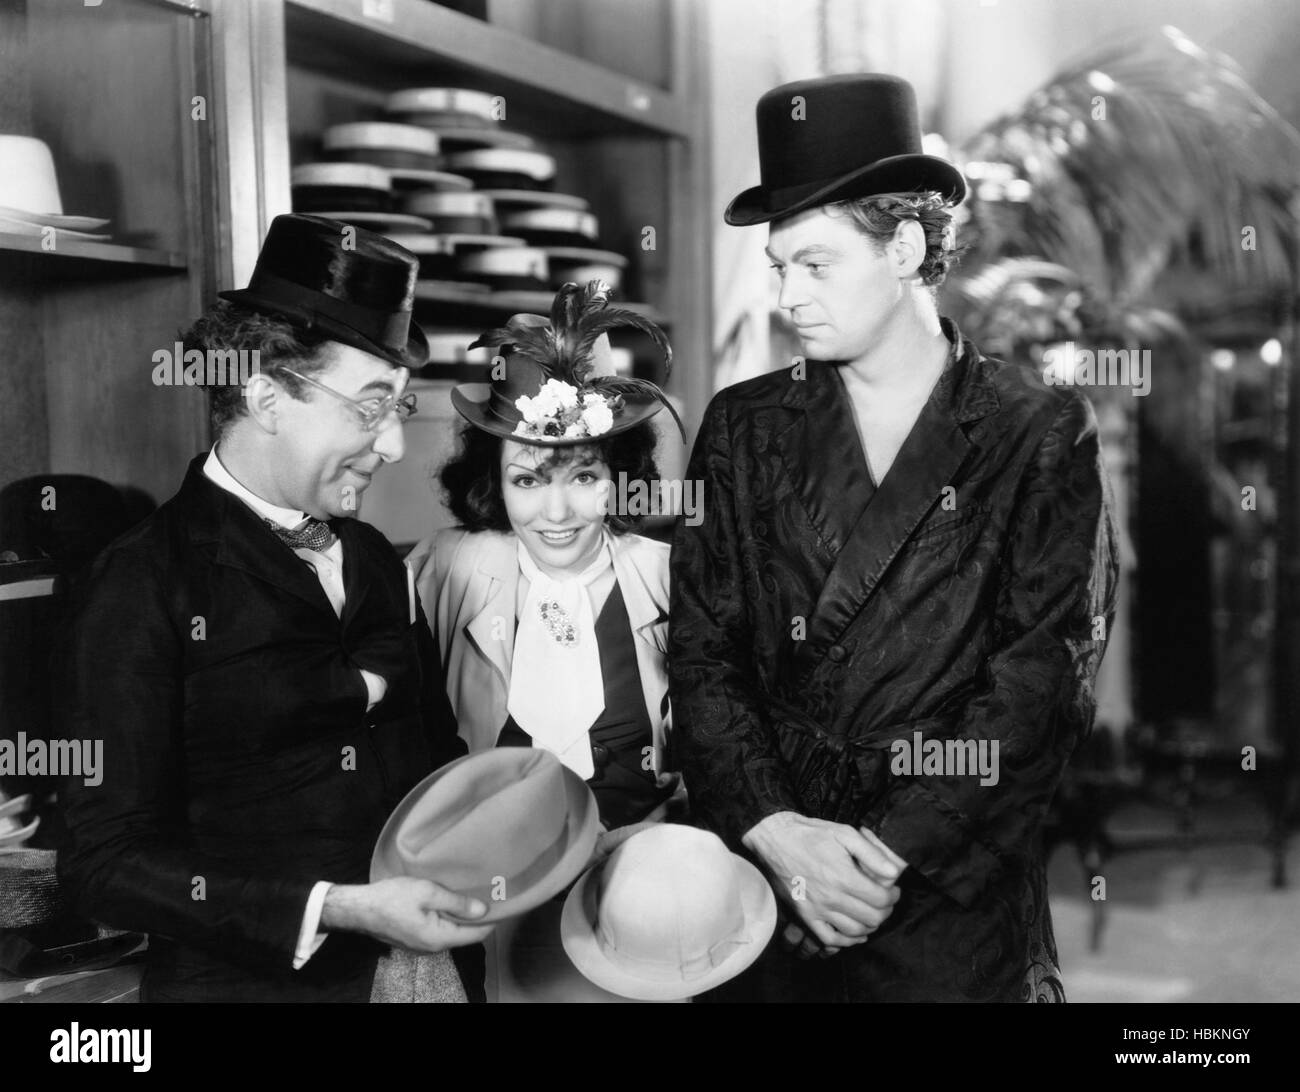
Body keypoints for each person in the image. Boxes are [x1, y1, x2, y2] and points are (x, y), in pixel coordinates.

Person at [669, 74, 1120, 1002]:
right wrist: (775, 831)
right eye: (778, 266)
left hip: (944, 889)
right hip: (771, 879)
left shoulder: (1035, 430)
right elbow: (703, 655)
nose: (787, 295)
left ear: (906, 247)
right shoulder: (742, 426)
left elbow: (1041, 685)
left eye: (816, 265)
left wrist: (877, 862)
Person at [58, 214, 492, 1003]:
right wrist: (341, 909)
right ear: (265, 396)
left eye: (400, 406)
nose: (394, 445)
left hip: (429, 977)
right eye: (370, 407)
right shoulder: (138, 582)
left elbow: (431, 751)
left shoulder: (369, 556)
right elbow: (105, 863)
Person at [408, 281, 684, 1000]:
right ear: (494, 483)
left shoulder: (669, 581)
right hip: (483, 915)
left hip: (639, 913)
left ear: (619, 476)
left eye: (584, 476)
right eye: (528, 479)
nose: (555, 512)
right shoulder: (448, 569)